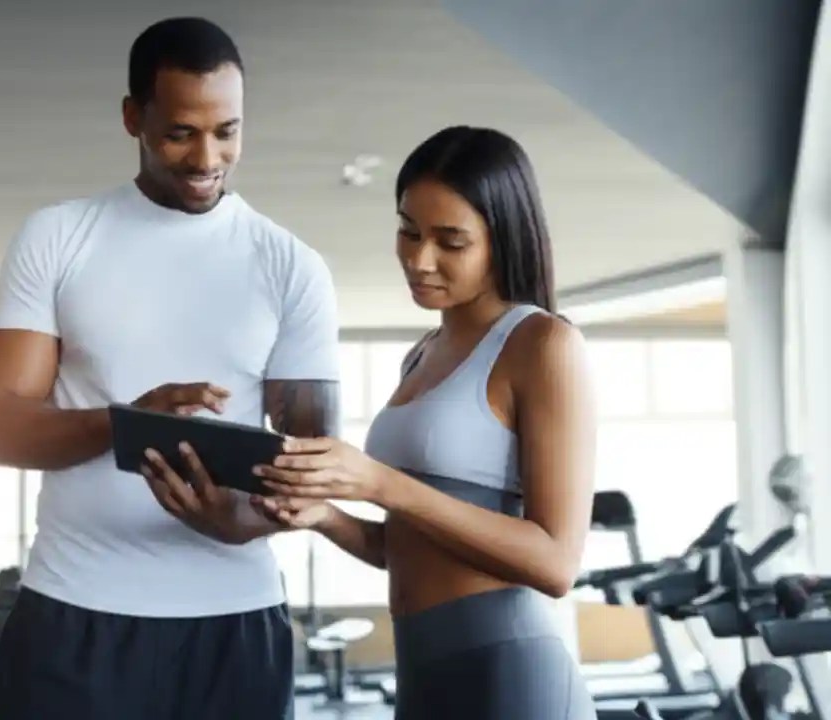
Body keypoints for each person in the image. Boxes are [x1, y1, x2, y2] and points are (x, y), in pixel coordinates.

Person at [149, 126, 600, 719]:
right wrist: (324, 516)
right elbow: (408, 547)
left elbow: (556, 564)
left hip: (509, 672)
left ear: (503, 238)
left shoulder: (542, 343)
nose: (419, 259)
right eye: (409, 231)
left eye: (451, 241)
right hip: (423, 669)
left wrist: (379, 482)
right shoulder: (423, 354)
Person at [0, 16, 341, 720]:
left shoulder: (292, 266)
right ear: (132, 118)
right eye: (180, 133)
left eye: (227, 131)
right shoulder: (57, 237)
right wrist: (128, 426)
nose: (207, 157)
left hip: (233, 623)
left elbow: (314, 465)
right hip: (74, 615)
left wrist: (242, 519)